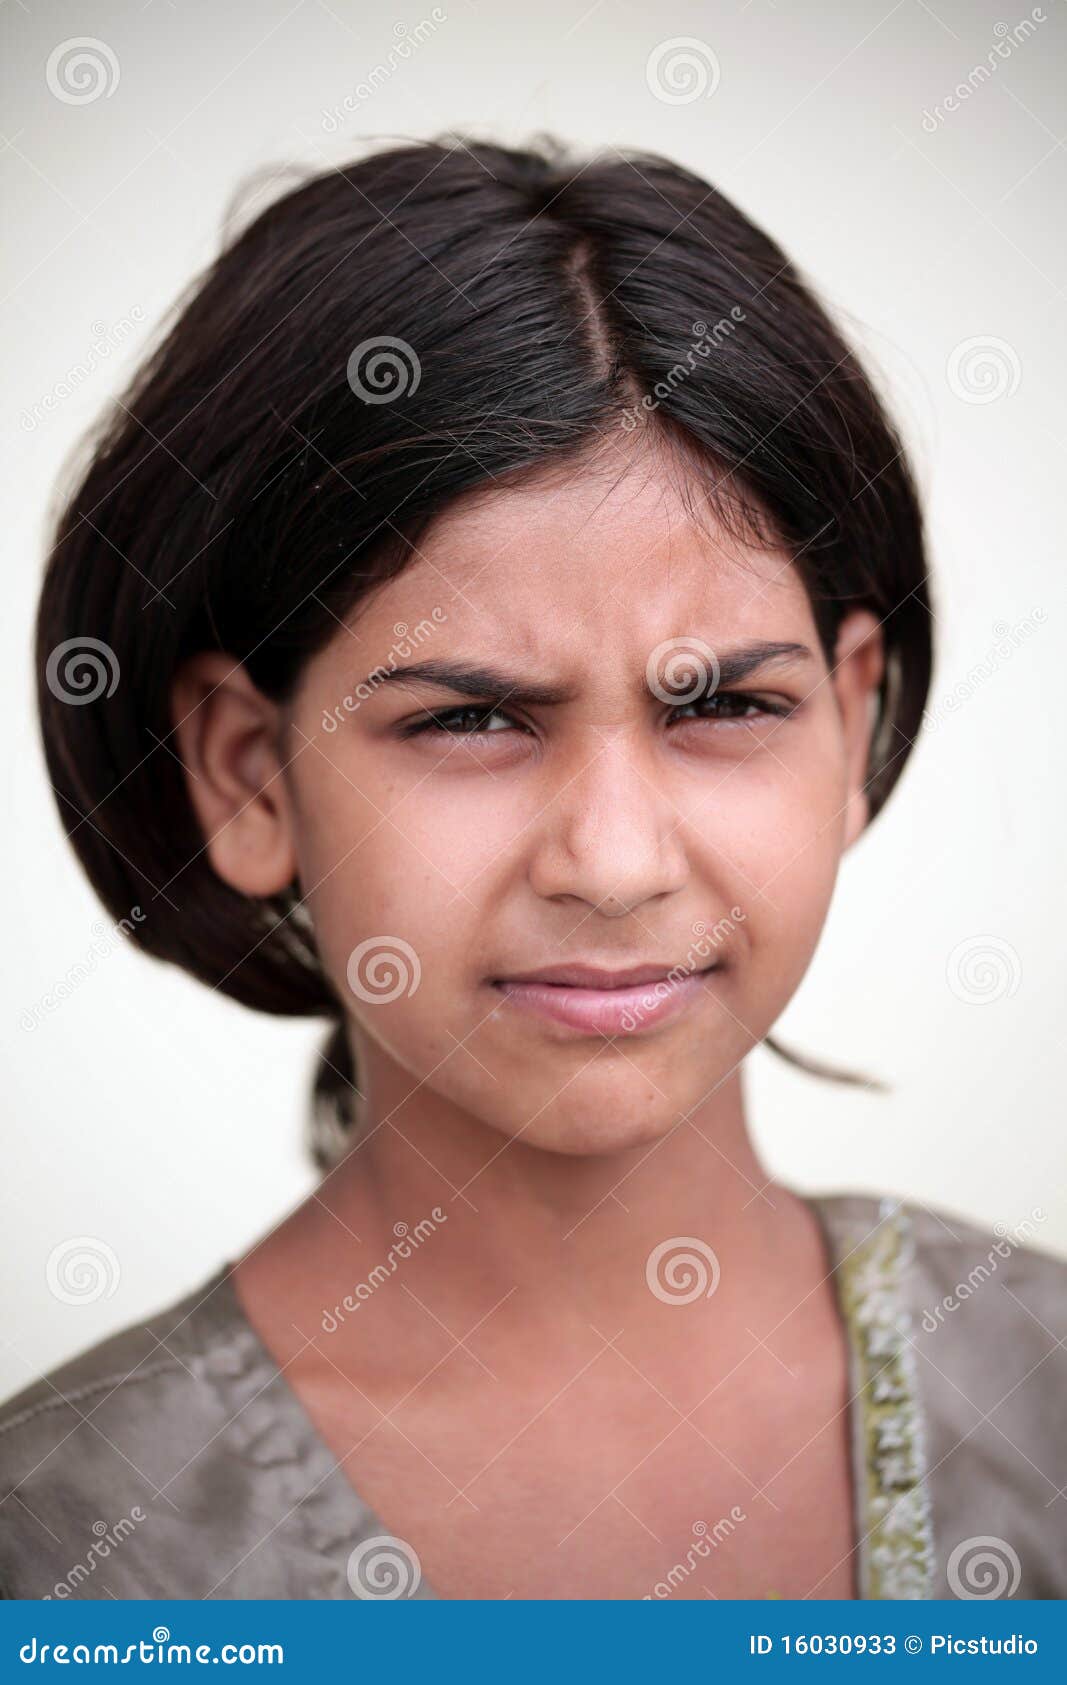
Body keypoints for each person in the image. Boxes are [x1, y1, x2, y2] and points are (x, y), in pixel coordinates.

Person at [3, 136, 1064, 1602]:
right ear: (250, 773)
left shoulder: (1046, 1405)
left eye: (723, 706)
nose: (616, 861)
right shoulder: (64, 1549)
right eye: (473, 718)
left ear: (854, 718)